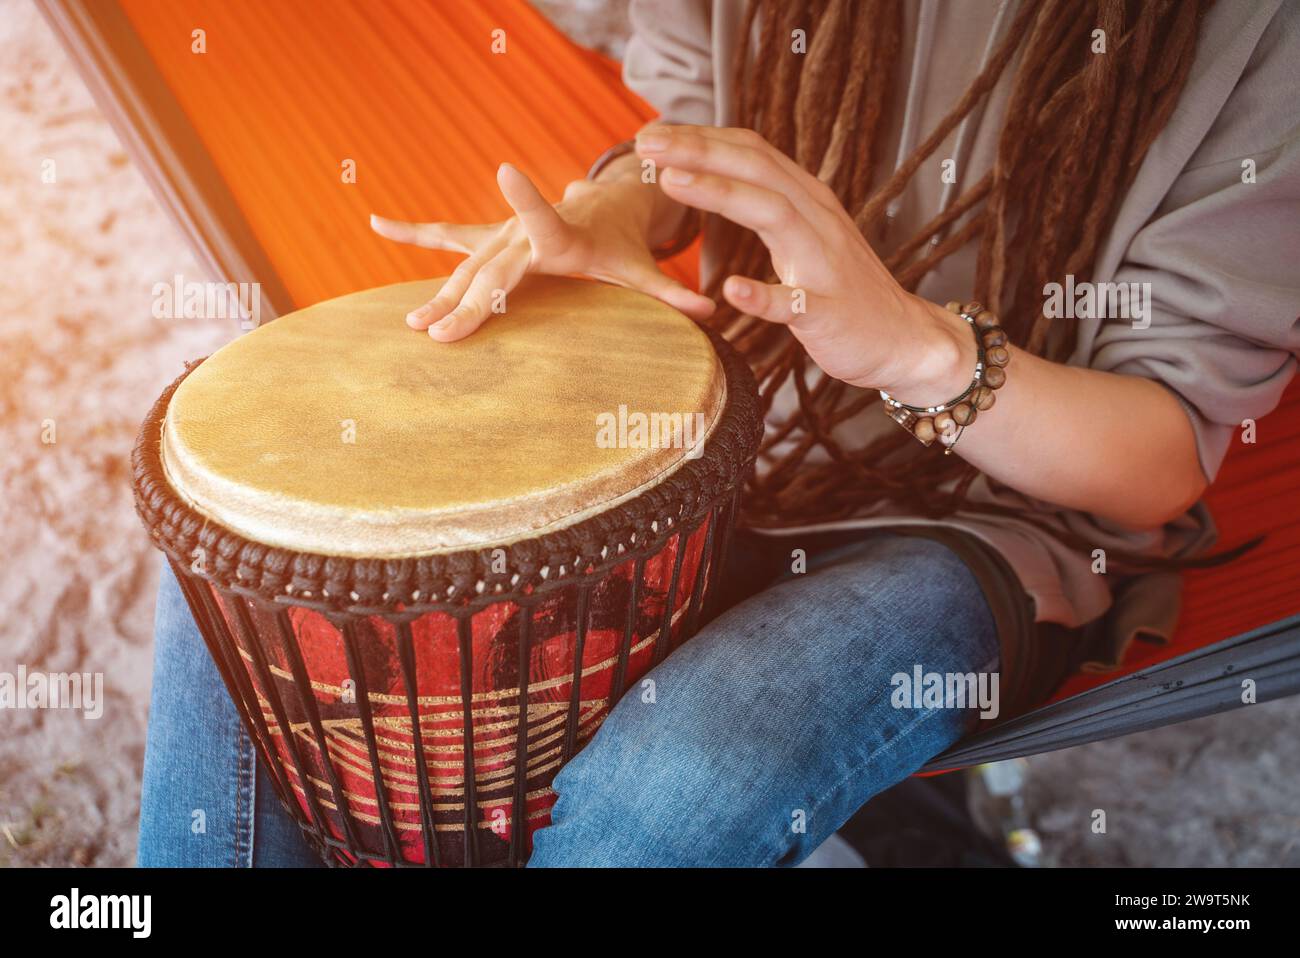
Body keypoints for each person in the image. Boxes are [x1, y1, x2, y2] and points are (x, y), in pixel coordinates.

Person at [138, 0, 1300, 867]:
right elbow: (685, 135)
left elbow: (1153, 468)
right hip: (710, 424)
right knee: (261, 565)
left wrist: (914, 350)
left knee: (686, 776)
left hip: (991, 518)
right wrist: (609, 207)